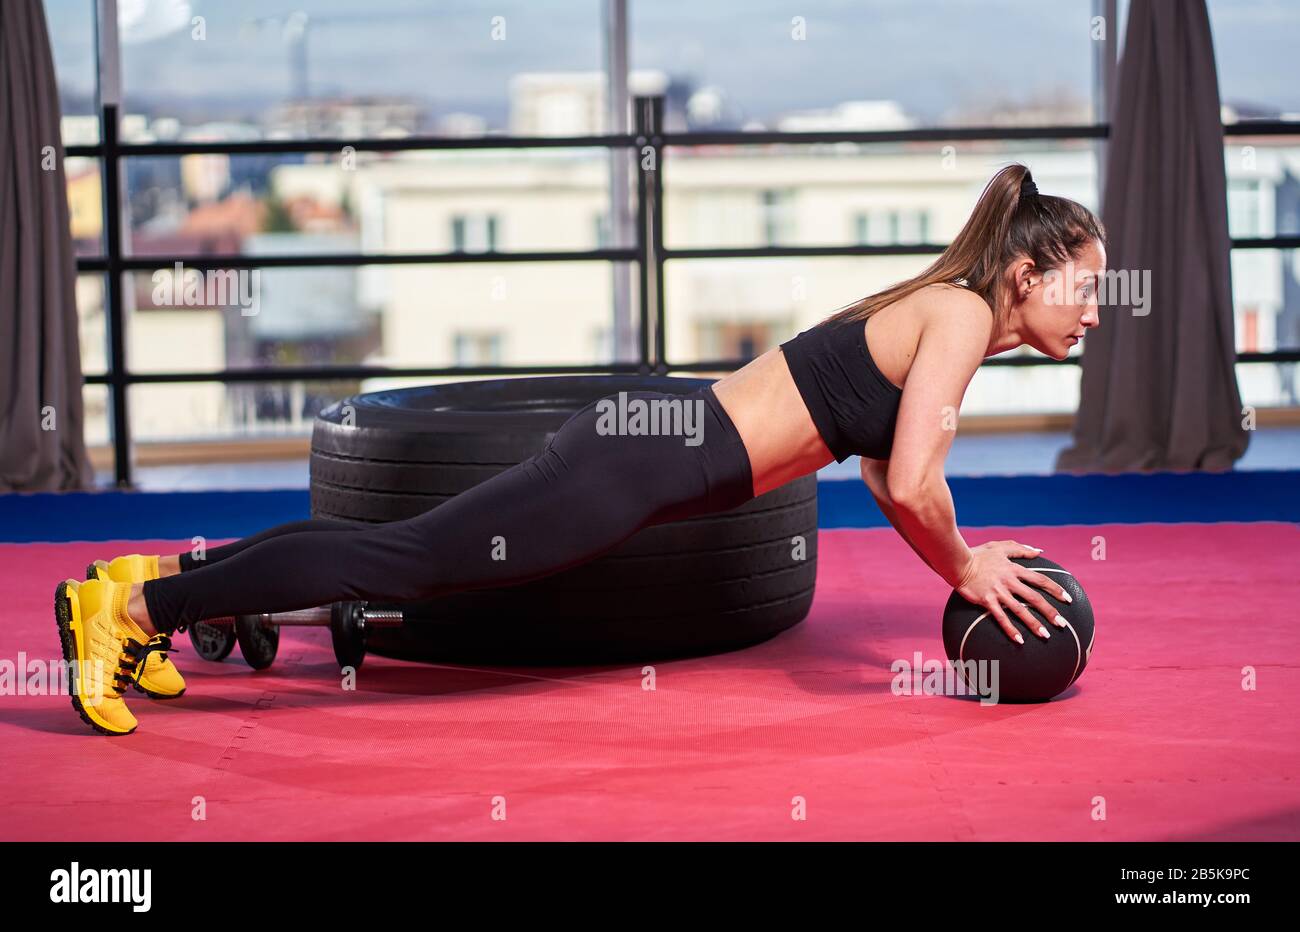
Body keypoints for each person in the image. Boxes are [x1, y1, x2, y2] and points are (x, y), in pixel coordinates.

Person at [55, 164, 1106, 735]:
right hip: (639, 463)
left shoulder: (948, 313)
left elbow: (886, 470)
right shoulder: (961, 316)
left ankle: (155, 581)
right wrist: (968, 563)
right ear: (1028, 273)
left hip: (643, 450)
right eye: (1085, 287)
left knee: (395, 543)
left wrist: (957, 549)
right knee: (403, 561)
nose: (1095, 312)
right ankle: (134, 613)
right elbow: (916, 479)